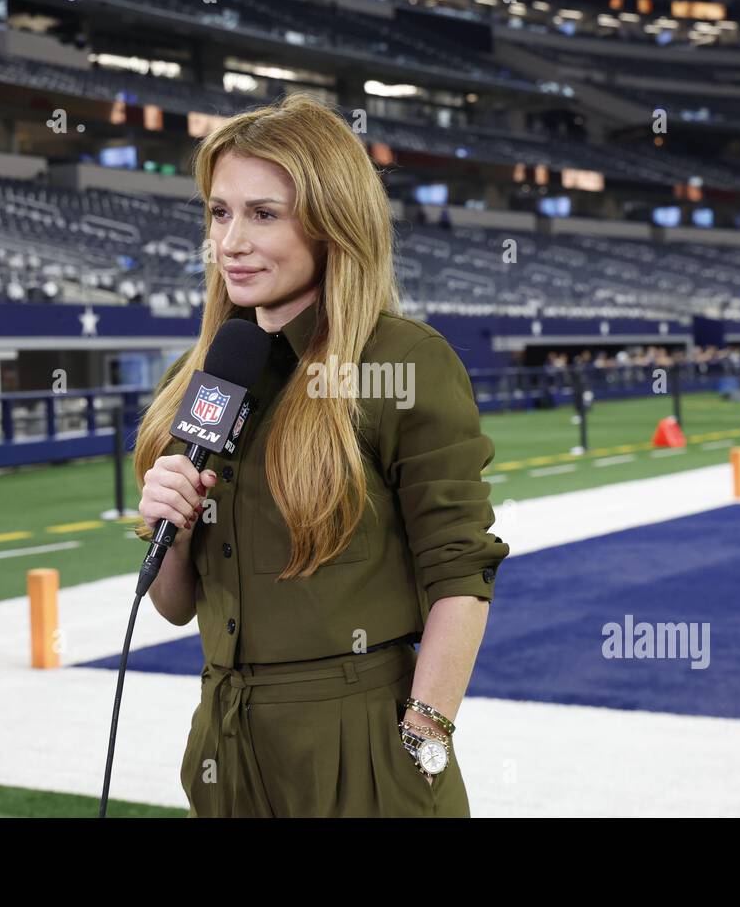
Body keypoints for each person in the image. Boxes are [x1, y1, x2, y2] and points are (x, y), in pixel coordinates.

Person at [131, 93, 509, 818]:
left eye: (263, 214)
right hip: (226, 742)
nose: (231, 241)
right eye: (219, 213)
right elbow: (176, 607)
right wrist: (166, 529)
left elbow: (460, 574)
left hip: (360, 739)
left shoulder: (401, 361)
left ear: (333, 221)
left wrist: (422, 743)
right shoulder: (209, 373)